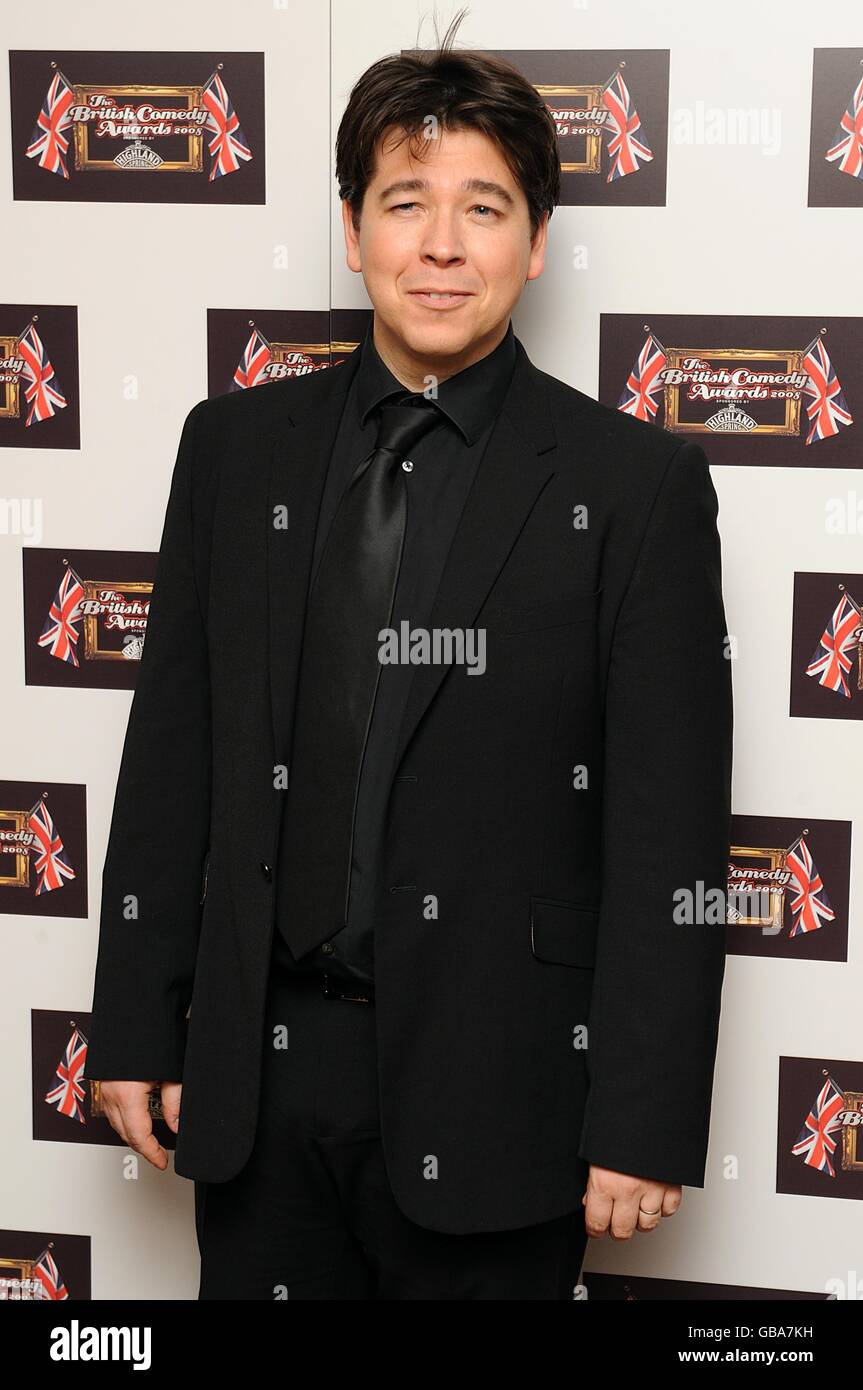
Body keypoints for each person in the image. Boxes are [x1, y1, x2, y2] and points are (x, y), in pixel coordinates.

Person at [88, 14, 733, 1300]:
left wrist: (643, 1116)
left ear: (534, 242)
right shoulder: (234, 452)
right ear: (352, 229)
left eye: (482, 208)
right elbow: (170, 760)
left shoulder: (634, 486)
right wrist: (135, 1021)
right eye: (404, 203)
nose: (441, 245)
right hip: (262, 1085)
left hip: (505, 1091)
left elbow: (668, 833)